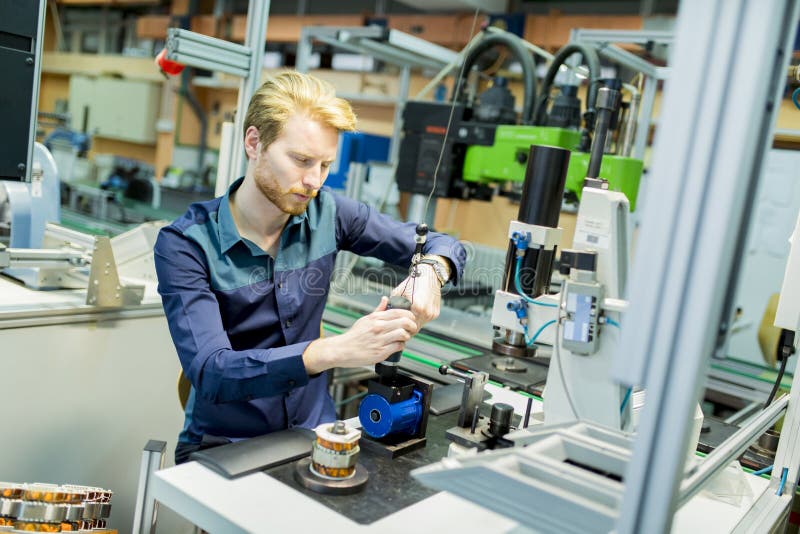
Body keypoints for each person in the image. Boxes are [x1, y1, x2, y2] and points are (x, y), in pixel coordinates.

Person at [154, 71, 467, 464]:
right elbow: (213, 372)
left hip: (314, 434)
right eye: (301, 160)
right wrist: (336, 350)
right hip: (227, 445)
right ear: (254, 143)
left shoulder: (329, 212)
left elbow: (442, 243)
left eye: (325, 165)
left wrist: (431, 272)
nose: (314, 181)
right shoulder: (185, 245)